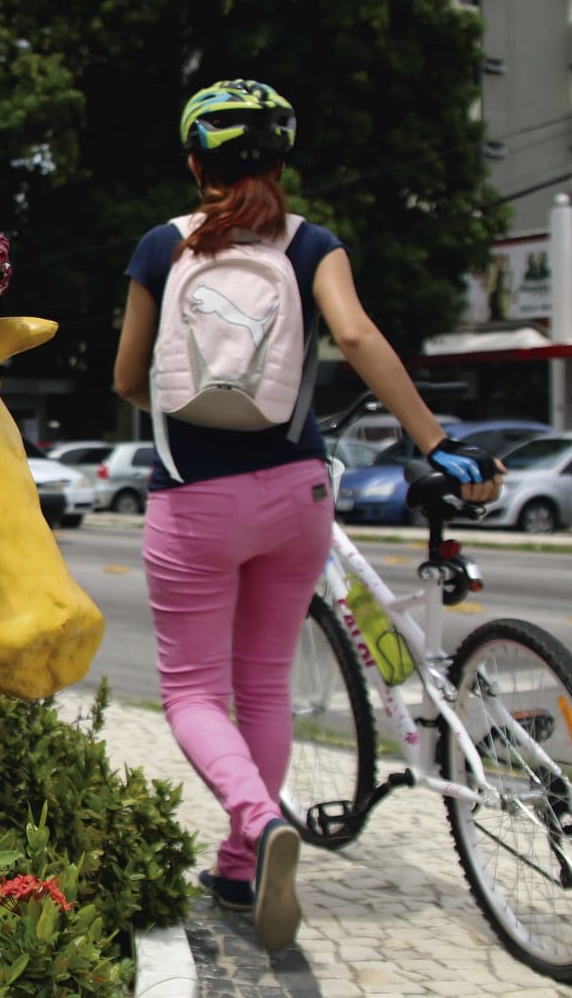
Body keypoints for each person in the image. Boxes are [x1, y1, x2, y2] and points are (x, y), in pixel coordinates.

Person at [111, 78, 504, 952]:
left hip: (193, 501)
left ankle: (256, 820)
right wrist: (436, 442)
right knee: (262, 687)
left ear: (193, 162)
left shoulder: (157, 248)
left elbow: (127, 381)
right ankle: (243, 864)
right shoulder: (311, 244)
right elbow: (358, 339)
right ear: (283, 161)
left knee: (192, 692)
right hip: (298, 497)